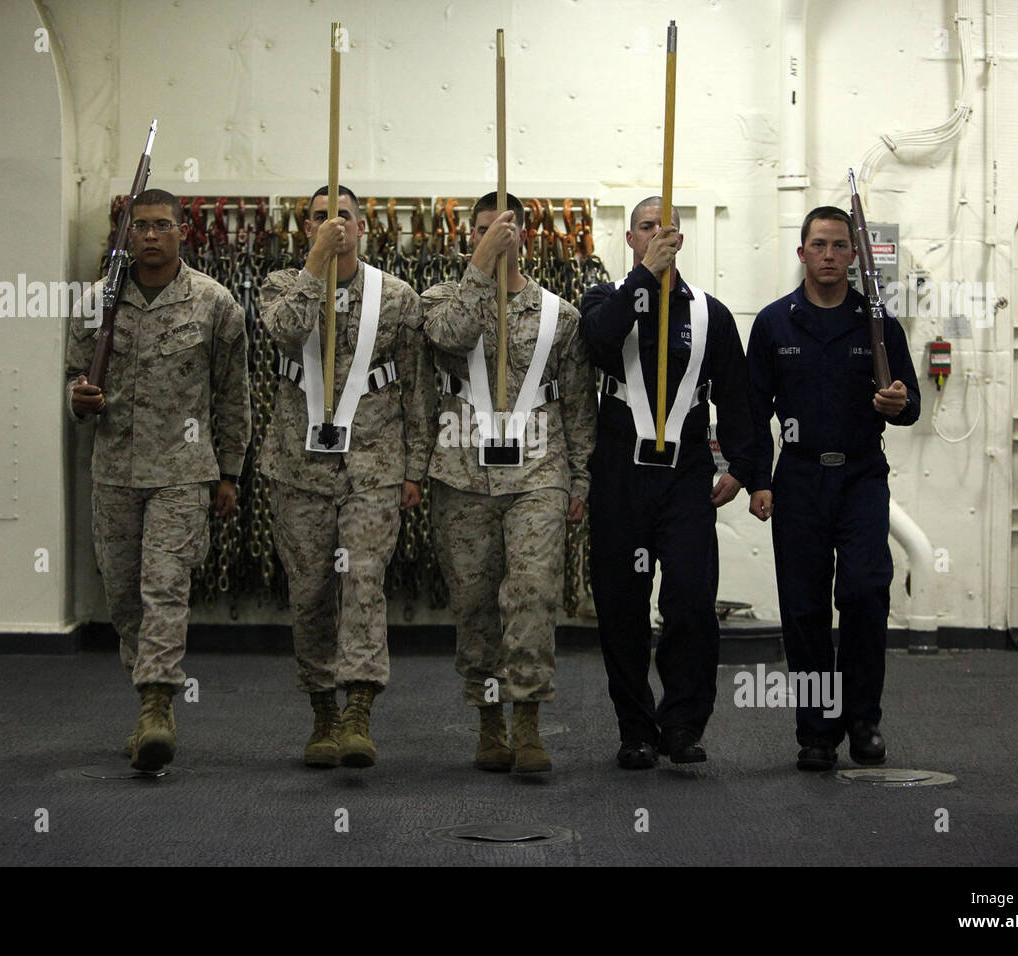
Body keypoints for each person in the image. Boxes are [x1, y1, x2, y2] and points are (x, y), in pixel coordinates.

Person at [66, 187, 252, 772]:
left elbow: (233, 395)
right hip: (115, 472)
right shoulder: (98, 302)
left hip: (182, 473)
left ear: (182, 232)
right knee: (124, 598)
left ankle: (156, 709)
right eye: (139, 226)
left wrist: (229, 472)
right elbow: (73, 377)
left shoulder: (213, 303)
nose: (150, 235)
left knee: (164, 588)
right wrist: (78, 398)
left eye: (161, 226)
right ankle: (147, 697)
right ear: (126, 233)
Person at [258, 185, 435, 769]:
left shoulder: (398, 298)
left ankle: (359, 707)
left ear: (364, 227)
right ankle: (323, 713)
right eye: (317, 219)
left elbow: (417, 387)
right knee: (310, 592)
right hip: (297, 469)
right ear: (304, 229)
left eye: (344, 218)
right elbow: (285, 330)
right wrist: (316, 265)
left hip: (374, 464)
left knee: (363, 583)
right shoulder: (281, 285)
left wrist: (415, 466)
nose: (332, 227)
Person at [421, 192, 596, 774]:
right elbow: (448, 338)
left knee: (532, 593)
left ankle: (528, 721)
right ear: (467, 236)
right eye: (479, 231)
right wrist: (480, 267)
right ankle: (489, 720)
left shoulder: (559, 316)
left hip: (538, 473)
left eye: (501, 230)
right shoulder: (441, 300)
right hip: (461, 474)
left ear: (522, 234)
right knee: (473, 604)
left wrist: (580, 482)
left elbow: (577, 405)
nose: (492, 238)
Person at [580, 197, 755, 770]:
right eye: (646, 228)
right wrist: (643, 278)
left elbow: (736, 397)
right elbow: (601, 343)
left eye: (666, 228)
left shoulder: (711, 315)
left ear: (681, 239)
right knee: (621, 605)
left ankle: (681, 724)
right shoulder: (605, 298)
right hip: (620, 476)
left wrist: (743, 467)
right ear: (631, 239)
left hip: (684, 481)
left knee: (689, 600)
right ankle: (636, 729)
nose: (658, 235)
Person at [746, 205, 920, 771]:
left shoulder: (878, 324)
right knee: (803, 608)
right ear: (802, 253)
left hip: (861, 478)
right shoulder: (774, 324)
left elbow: (909, 404)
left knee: (866, 592)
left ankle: (864, 719)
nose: (828, 255)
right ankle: (818, 731)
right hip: (797, 480)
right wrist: (757, 480)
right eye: (818, 245)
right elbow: (752, 413)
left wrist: (896, 403)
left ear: (853, 255)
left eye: (839, 246)